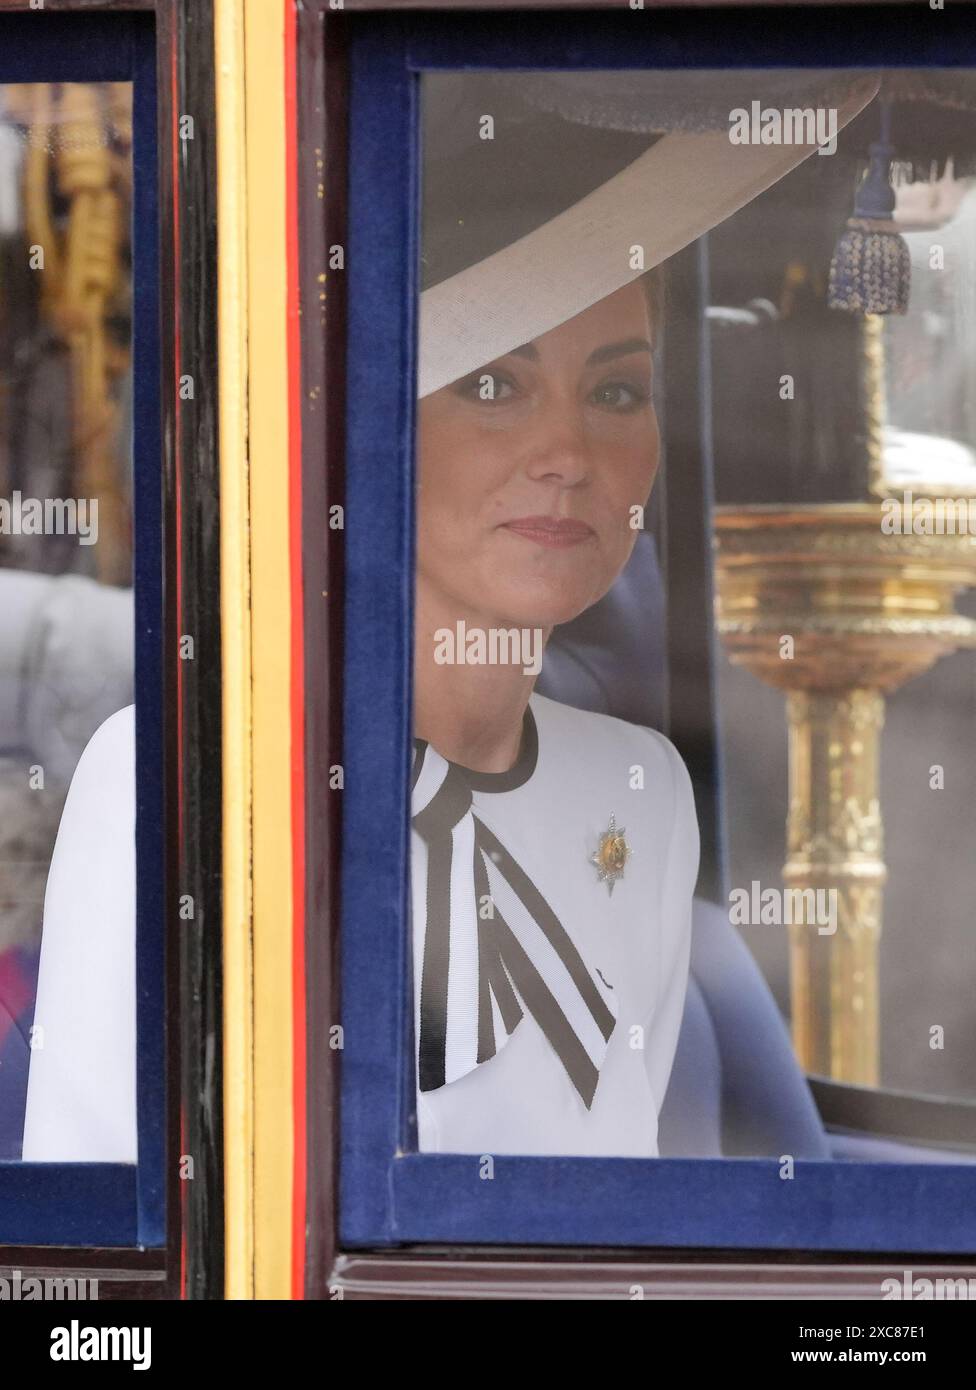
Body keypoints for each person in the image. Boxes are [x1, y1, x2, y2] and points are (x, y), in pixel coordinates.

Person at [21, 68, 882, 1161]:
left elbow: (615, 1219)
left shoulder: (644, 793)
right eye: (492, 385)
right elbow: (115, 1255)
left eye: (616, 392)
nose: (569, 456)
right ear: (375, 426)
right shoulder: (187, 778)